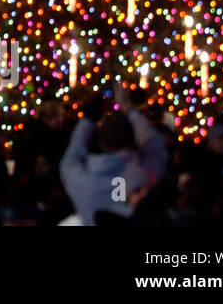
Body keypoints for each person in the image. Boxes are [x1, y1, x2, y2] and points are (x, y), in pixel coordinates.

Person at [59, 87, 168, 225]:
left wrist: (88, 119)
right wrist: (130, 110)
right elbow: (154, 144)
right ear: (133, 138)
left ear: (101, 142)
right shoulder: (145, 173)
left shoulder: (80, 179)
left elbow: (70, 158)